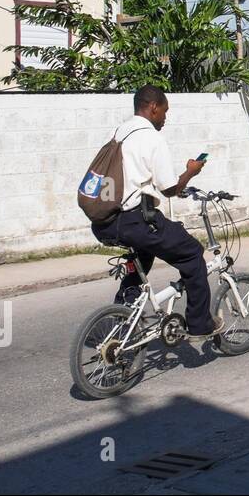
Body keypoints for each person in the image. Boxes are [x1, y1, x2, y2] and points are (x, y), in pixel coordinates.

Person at [90, 85, 224, 339]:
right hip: (135, 220)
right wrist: (191, 172)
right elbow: (170, 189)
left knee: (144, 255)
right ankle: (200, 324)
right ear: (153, 107)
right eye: (164, 111)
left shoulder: (119, 132)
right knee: (193, 254)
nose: (165, 117)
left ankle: (125, 307)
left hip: (106, 221)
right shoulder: (152, 138)